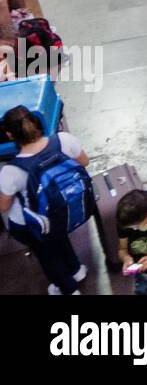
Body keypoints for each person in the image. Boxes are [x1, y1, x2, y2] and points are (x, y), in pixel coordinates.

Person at [0, 105, 92, 295]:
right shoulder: (63, 140)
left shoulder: (11, 170)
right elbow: (84, 162)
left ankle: (68, 289)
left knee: (47, 254)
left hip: (35, 223)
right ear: (36, 122)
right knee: (58, 234)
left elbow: (4, 206)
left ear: (10, 135)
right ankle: (76, 270)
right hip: (63, 208)